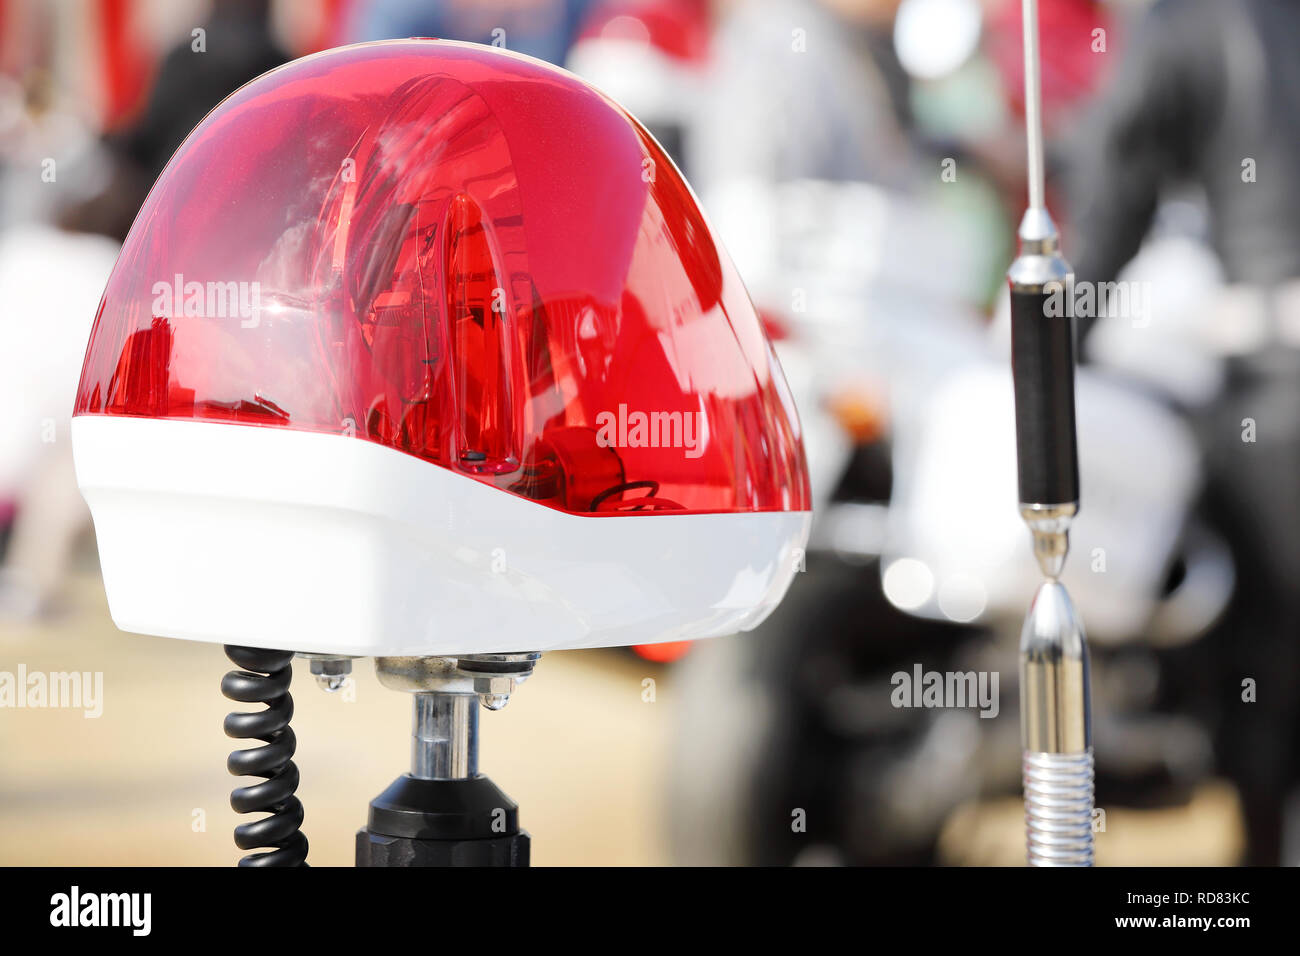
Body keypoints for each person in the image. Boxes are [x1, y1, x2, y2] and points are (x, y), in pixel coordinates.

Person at [1067, 0, 1300, 866]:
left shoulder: (1198, 22)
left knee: (1270, 690)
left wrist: (1050, 364)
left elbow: (1114, 198)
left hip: (1278, 397)